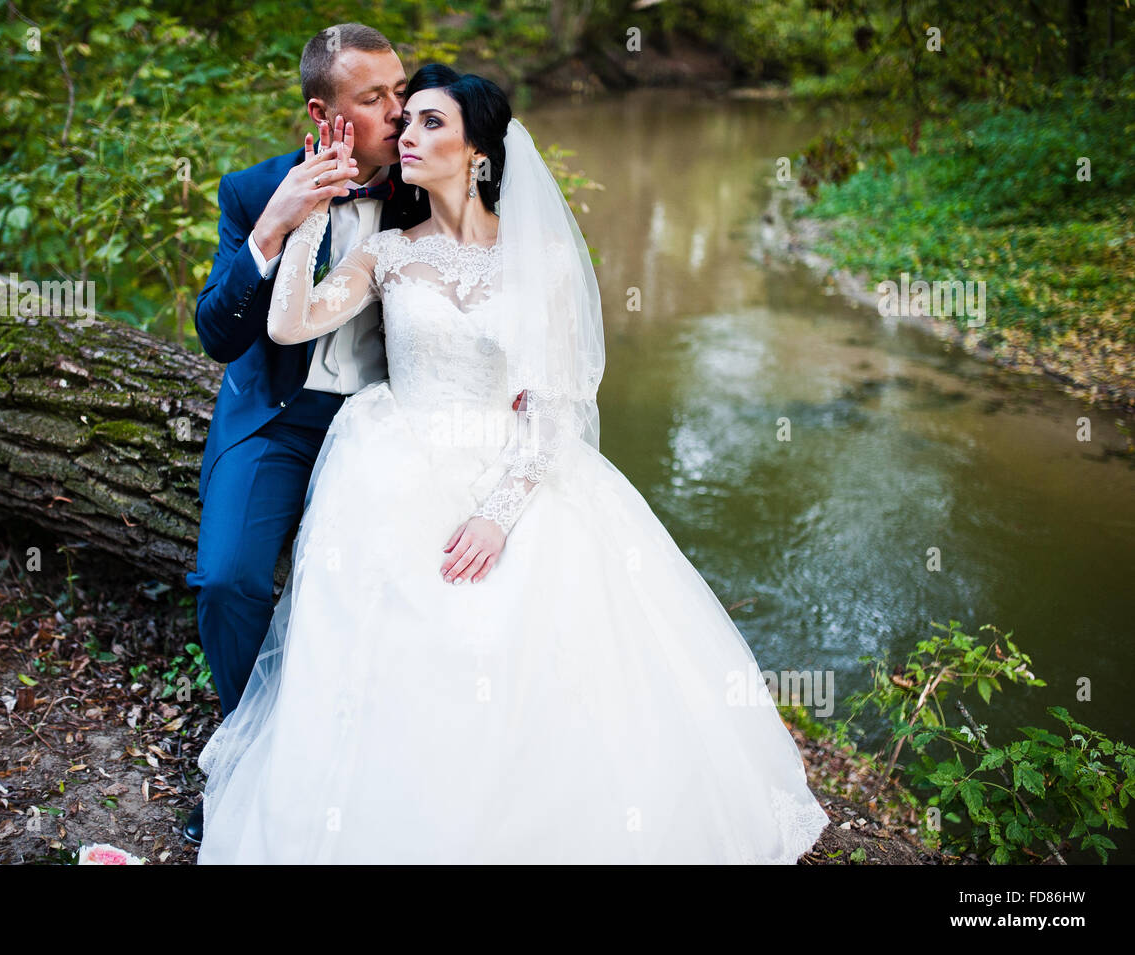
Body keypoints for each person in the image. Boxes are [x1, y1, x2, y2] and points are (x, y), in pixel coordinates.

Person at [196, 64, 831, 863]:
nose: (406, 134)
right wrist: (309, 221)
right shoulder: (390, 252)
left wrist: (497, 515)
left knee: (538, 620)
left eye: (430, 123)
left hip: (514, 467)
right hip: (396, 457)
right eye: (406, 118)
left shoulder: (545, 263)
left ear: (480, 157)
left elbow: (559, 401)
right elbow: (288, 327)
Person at [182, 23, 429, 844]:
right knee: (228, 580)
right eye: (376, 99)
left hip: (391, 420)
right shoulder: (254, 190)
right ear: (324, 113)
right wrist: (271, 232)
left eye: (402, 90)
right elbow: (217, 334)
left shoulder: (427, 182)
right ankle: (249, 759)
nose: (401, 112)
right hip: (281, 418)